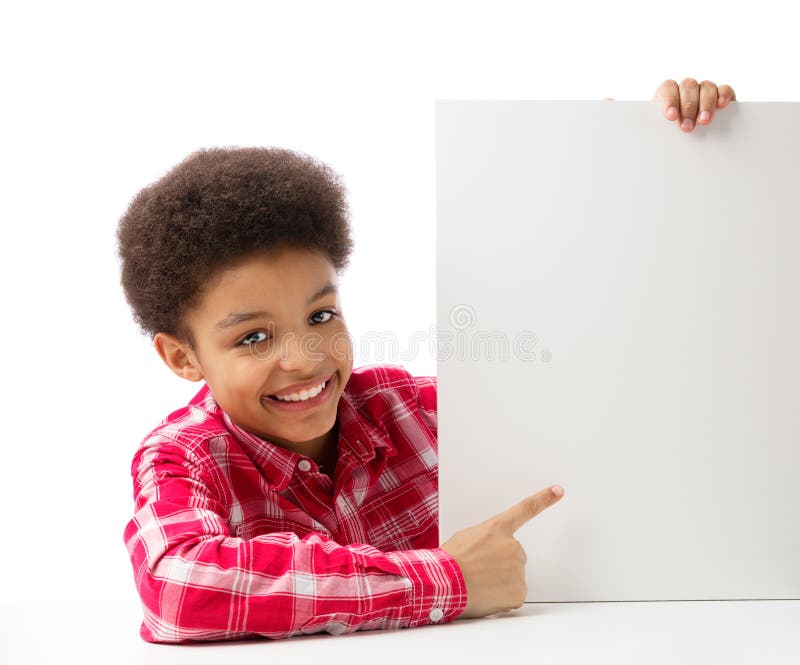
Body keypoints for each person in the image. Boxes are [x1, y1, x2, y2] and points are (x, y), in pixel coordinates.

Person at [118, 78, 736, 643]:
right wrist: (444, 580)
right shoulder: (182, 457)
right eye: (254, 338)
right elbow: (177, 589)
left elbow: (596, 383)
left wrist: (625, 169)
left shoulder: (417, 411)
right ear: (181, 356)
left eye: (321, 316)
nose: (306, 360)